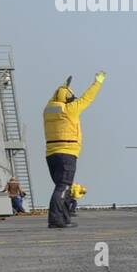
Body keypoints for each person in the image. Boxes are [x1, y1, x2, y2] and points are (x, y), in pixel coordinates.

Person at [42, 71, 105, 229]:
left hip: (51, 154)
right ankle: (56, 220)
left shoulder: (47, 110)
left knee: (63, 187)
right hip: (67, 153)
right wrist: (97, 82)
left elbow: (55, 98)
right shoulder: (70, 110)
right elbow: (87, 98)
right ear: (68, 99)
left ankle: (64, 219)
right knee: (63, 186)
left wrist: (63, 87)